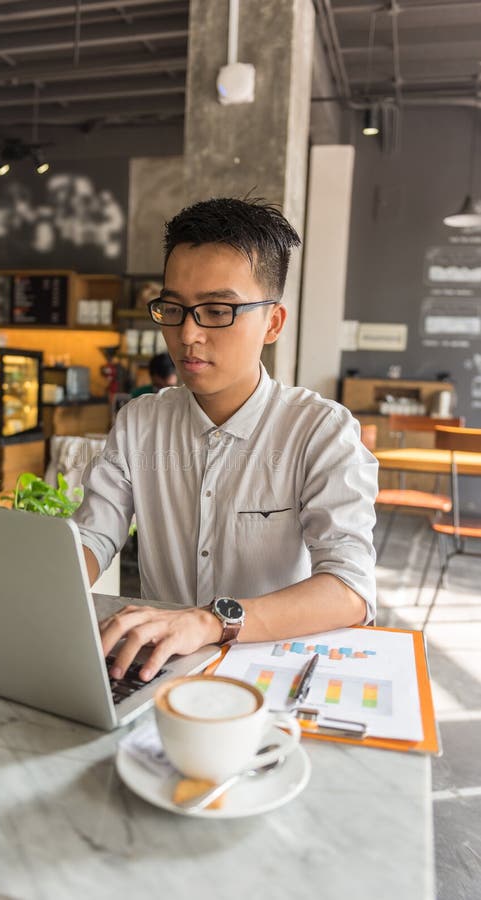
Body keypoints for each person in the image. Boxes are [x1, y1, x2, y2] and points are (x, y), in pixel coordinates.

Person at [75, 197, 378, 683]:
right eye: (173, 308)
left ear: (273, 323)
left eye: (217, 310)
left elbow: (349, 589)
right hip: (158, 669)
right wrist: (39, 594)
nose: (188, 333)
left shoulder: (320, 432)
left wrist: (210, 621)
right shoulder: (139, 422)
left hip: (274, 674)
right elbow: (92, 537)